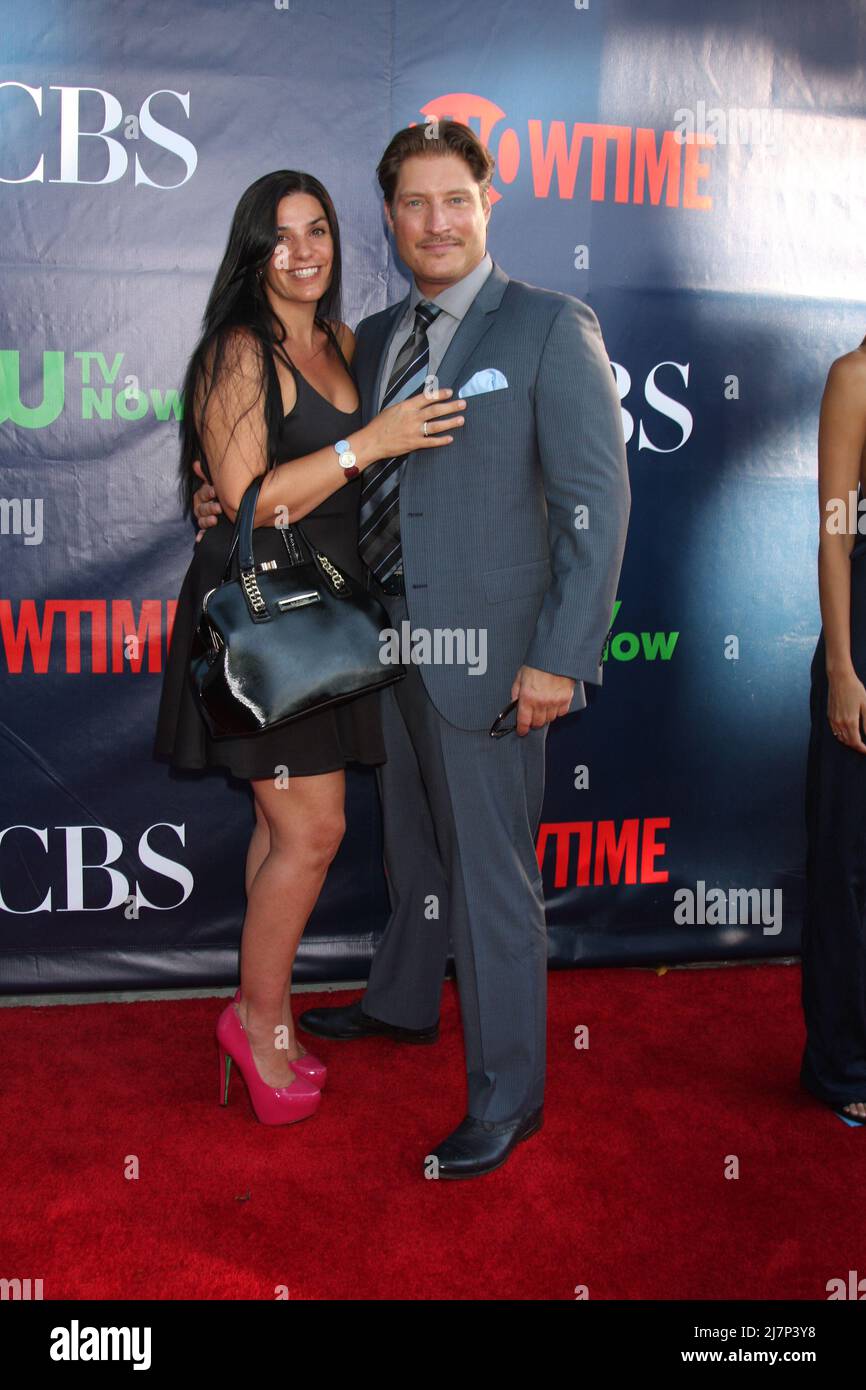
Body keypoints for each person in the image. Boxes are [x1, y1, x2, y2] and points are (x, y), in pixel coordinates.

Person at [194, 122, 630, 1172]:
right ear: (388, 219)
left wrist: (560, 656)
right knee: (412, 850)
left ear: (487, 205)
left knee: (489, 878)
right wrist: (223, 501)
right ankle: (399, 1002)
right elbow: (293, 462)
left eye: (454, 200)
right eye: (412, 204)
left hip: (489, 654)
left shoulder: (546, 325)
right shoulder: (372, 335)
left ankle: (508, 1097)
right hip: (372, 645)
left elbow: (595, 504)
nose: (434, 222)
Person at [155, 168, 465, 1125]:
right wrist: (369, 443)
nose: (303, 251)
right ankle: (256, 1026)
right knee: (313, 830)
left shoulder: (341, 339)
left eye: (319, 231)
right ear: (254, 249)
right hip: (265, 617)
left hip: (329, 617)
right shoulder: (237, 351)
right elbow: (249, 502)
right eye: (282, 235)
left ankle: (267, 1014)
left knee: (280, 829)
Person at [801, 333, 866, 1124]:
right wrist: (844, 671)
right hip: (864, 637)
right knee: (849, 862)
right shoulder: (854, 378)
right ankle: (843, 1065)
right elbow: (836, 537)